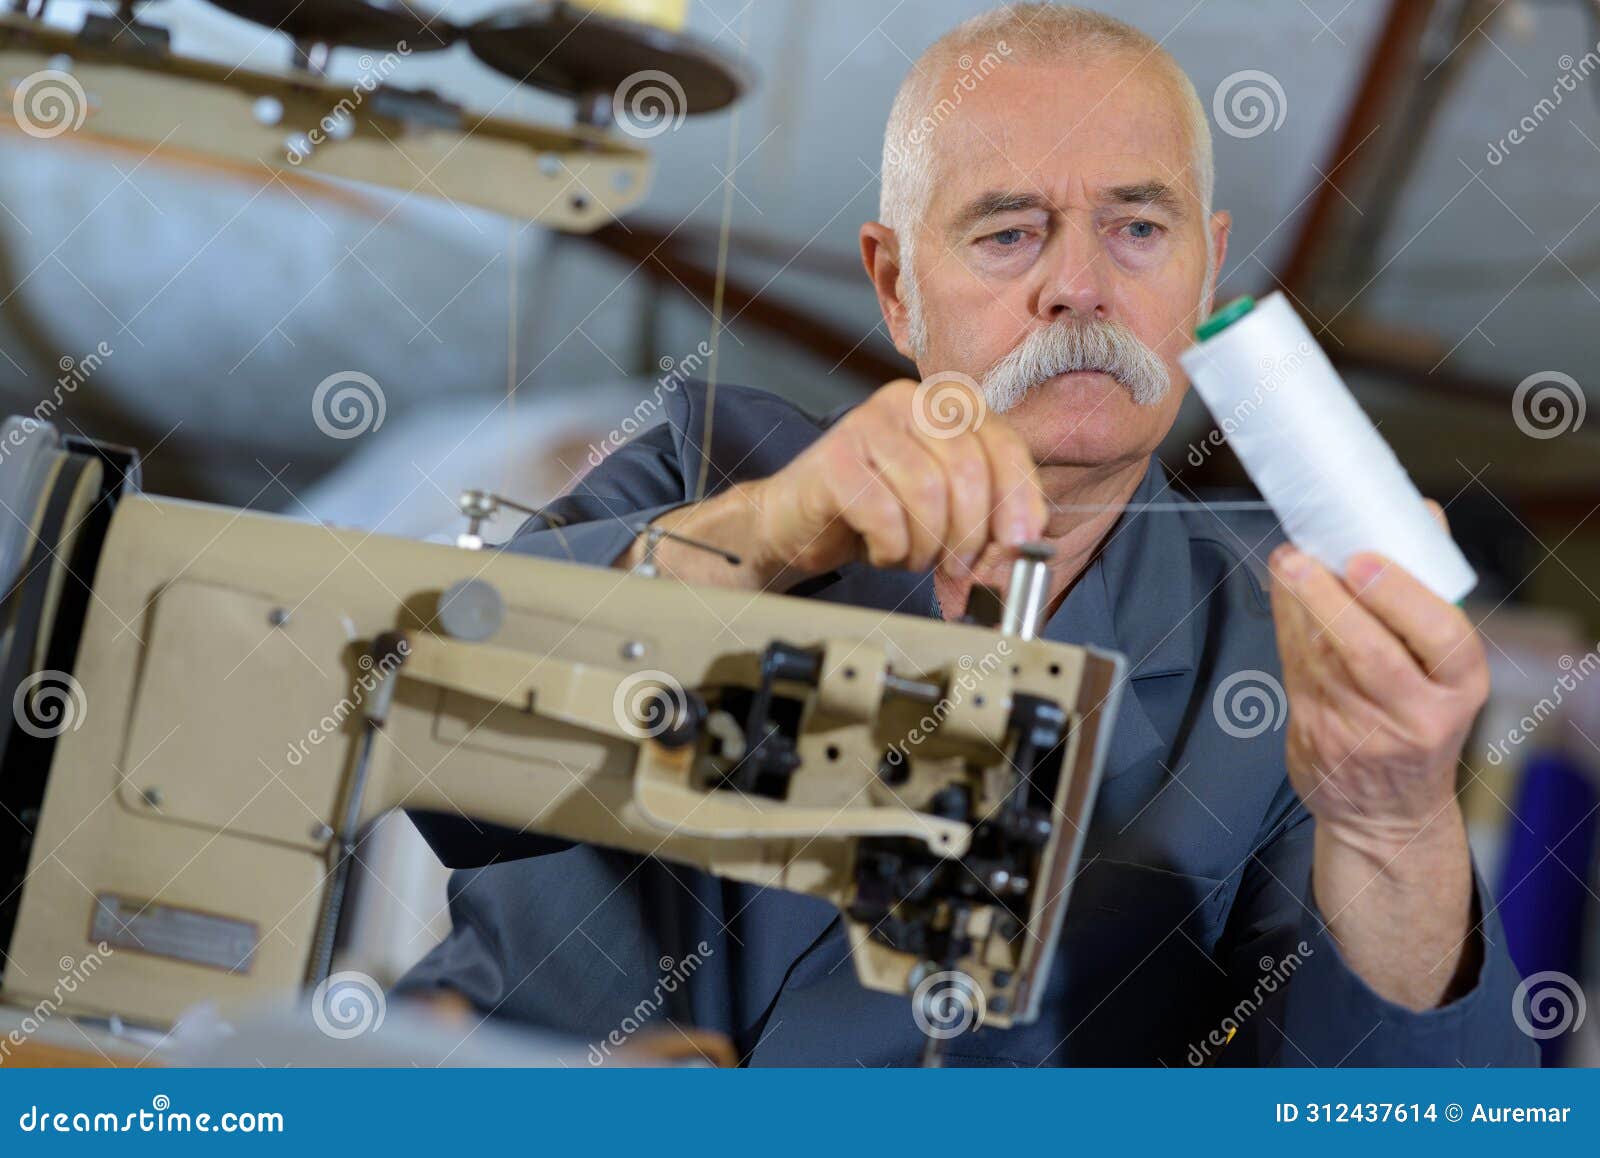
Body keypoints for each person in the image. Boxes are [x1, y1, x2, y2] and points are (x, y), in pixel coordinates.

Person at [398, 3, 1537, 1066]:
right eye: (1008, 234)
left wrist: (1395, 824)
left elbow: (1410, 1114)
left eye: (1138, 226)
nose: (1078, 287)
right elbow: (433, 746)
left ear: (1204, 266)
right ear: (896, 287)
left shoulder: (1281, 658)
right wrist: (773, 532)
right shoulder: (705, 464)